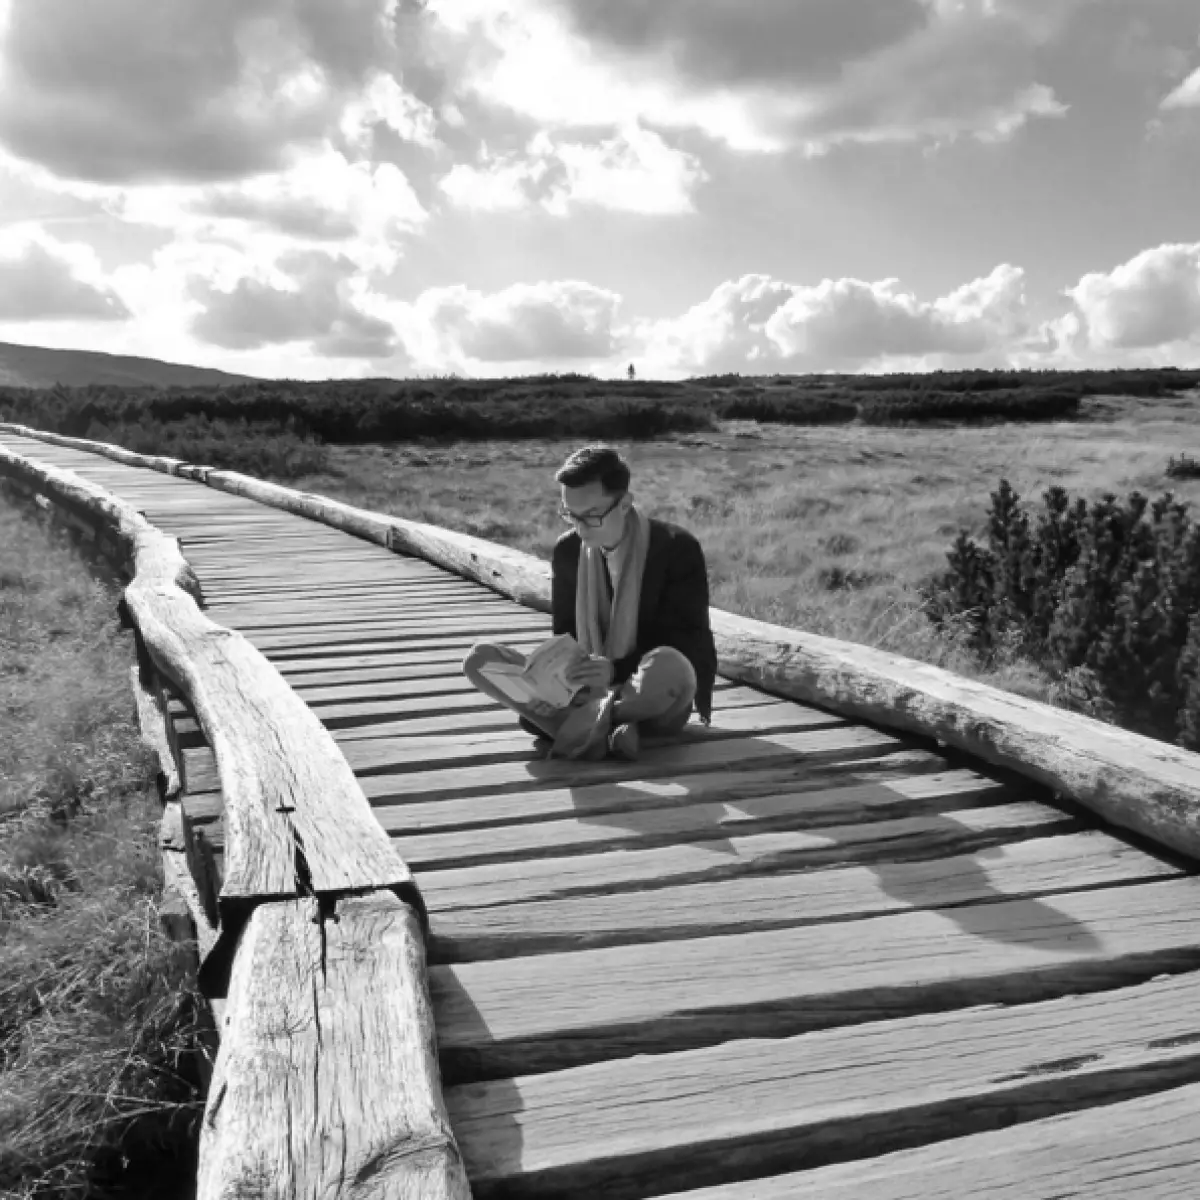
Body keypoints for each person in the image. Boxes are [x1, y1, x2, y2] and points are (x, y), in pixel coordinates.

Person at [462, 443, 718, 760]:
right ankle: (602, 729)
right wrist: (554, 683)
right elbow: (565, 635)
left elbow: (688, 644)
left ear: (625, 504)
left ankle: (574, 726)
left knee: (669, 665)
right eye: (571, 515)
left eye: (592, 516)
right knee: (480, 659)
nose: (580, 529)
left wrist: (613, 670)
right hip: (584, 691)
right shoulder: (568, 551)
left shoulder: (677, 548)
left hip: (648, 696)